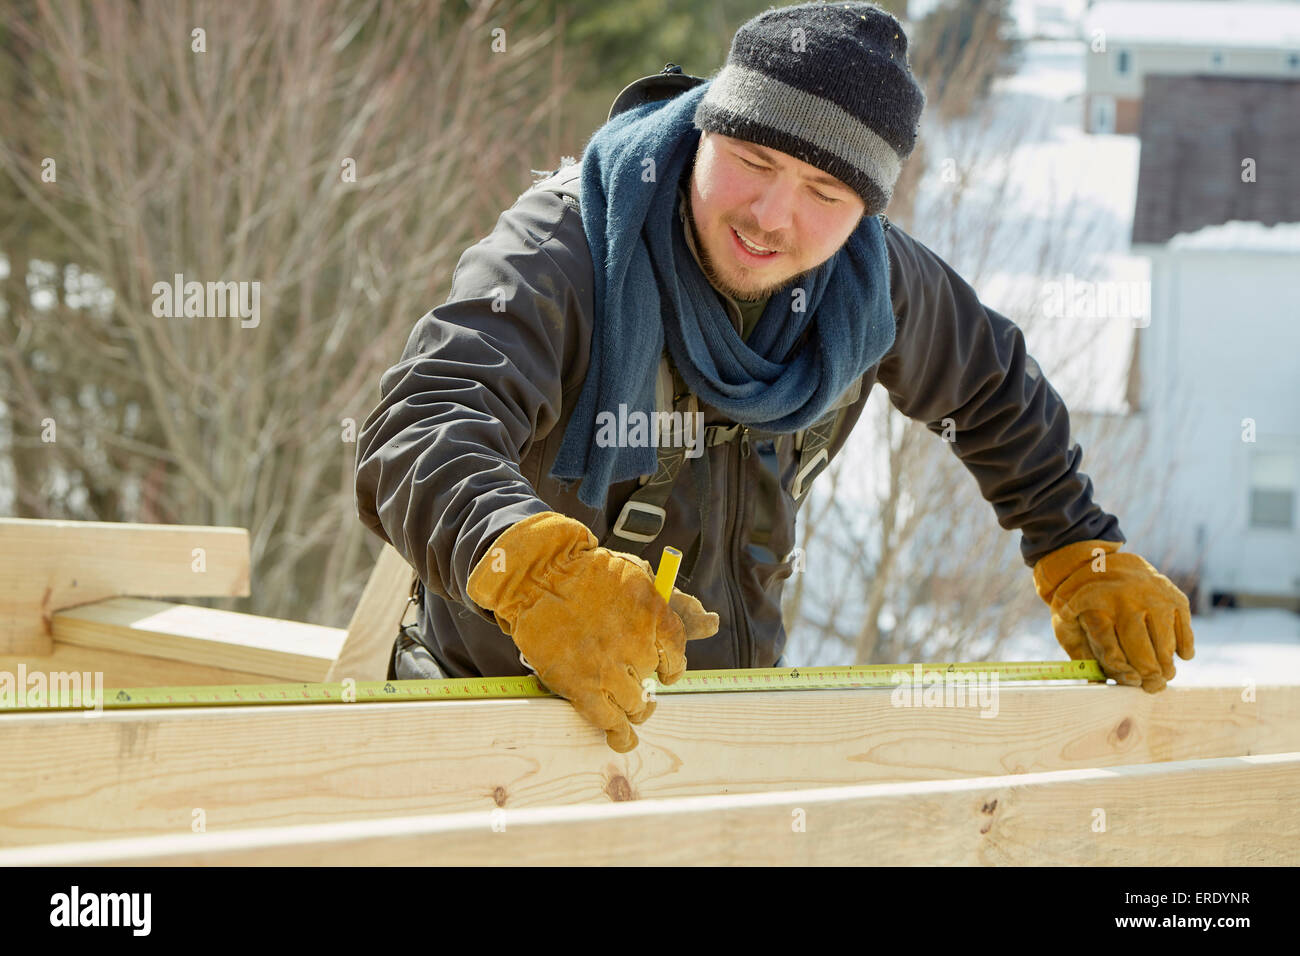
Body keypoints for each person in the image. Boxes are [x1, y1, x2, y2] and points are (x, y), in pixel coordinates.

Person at [355, 1, 1194, 753]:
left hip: (717, 738)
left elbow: (991, 387)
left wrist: (1076, 546)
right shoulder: (567, 249)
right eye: (754, 159)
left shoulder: (868, 284)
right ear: (705, 130)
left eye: (825, 189)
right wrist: (535, 574)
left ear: (866, 211)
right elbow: (421, 428)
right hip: (483, 727)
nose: (772, 216)